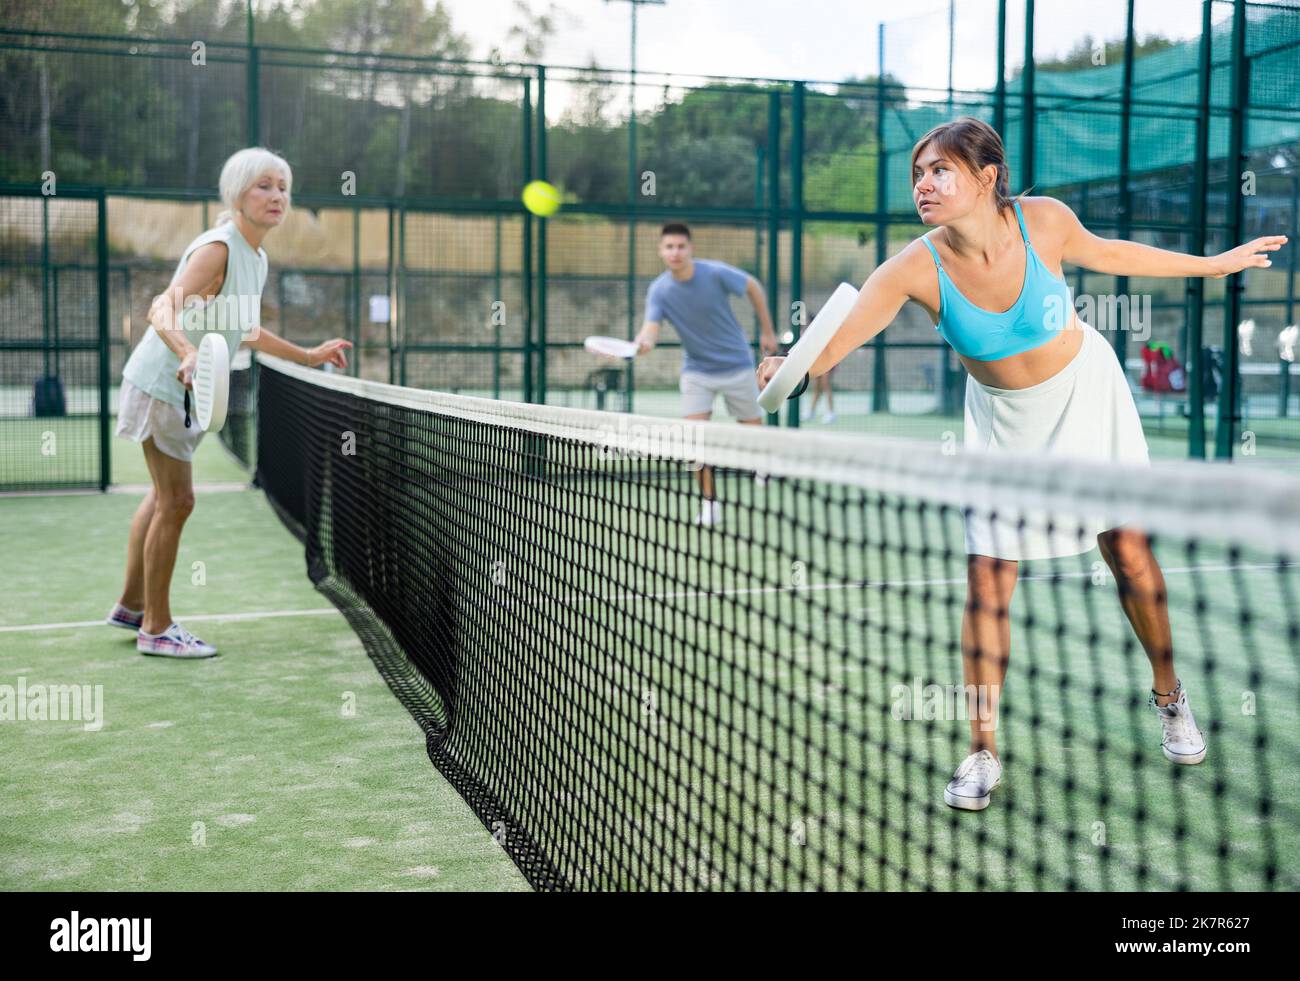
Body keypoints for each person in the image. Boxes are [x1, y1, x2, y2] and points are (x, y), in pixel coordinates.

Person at [756, 116, 1287, 810]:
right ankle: (982, 748)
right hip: (1003, 425)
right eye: (917, 173)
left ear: (986, 177)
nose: (923, 183)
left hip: (1087, 397)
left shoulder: (1045, 222)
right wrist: (786, 365)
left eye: (939, 170)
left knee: (1127, 550)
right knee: (987, 580)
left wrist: (1213, 265)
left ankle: (1170, 696)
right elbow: (831, 348)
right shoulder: (914, 267)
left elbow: (1116, 254)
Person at [107, 148, 351, 658]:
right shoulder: (218, 247)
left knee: (160, 497)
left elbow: (246, 329)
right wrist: (188, 352)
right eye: (264, 186)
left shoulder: (254, 256)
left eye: (283, 187)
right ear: (238, 194)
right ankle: (156, 627)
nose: (277, 196)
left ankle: (132, 606)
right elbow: (161, 306)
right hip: (163, 383)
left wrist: (308, 355)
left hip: (185, 387)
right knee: (177, 501)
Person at [634, 222, 779, 525]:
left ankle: (761, 463)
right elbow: (650, 329)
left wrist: (767, 331)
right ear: (661, 252)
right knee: (693, 439)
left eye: (681, 246)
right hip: (697, 371)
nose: (675, 252)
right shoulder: (659, 290)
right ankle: (709, 502)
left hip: (737, 364)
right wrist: (643, 343)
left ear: (690, 249)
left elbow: (752, 285)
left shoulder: (714, 273)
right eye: (669, 247)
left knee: (754, 431)